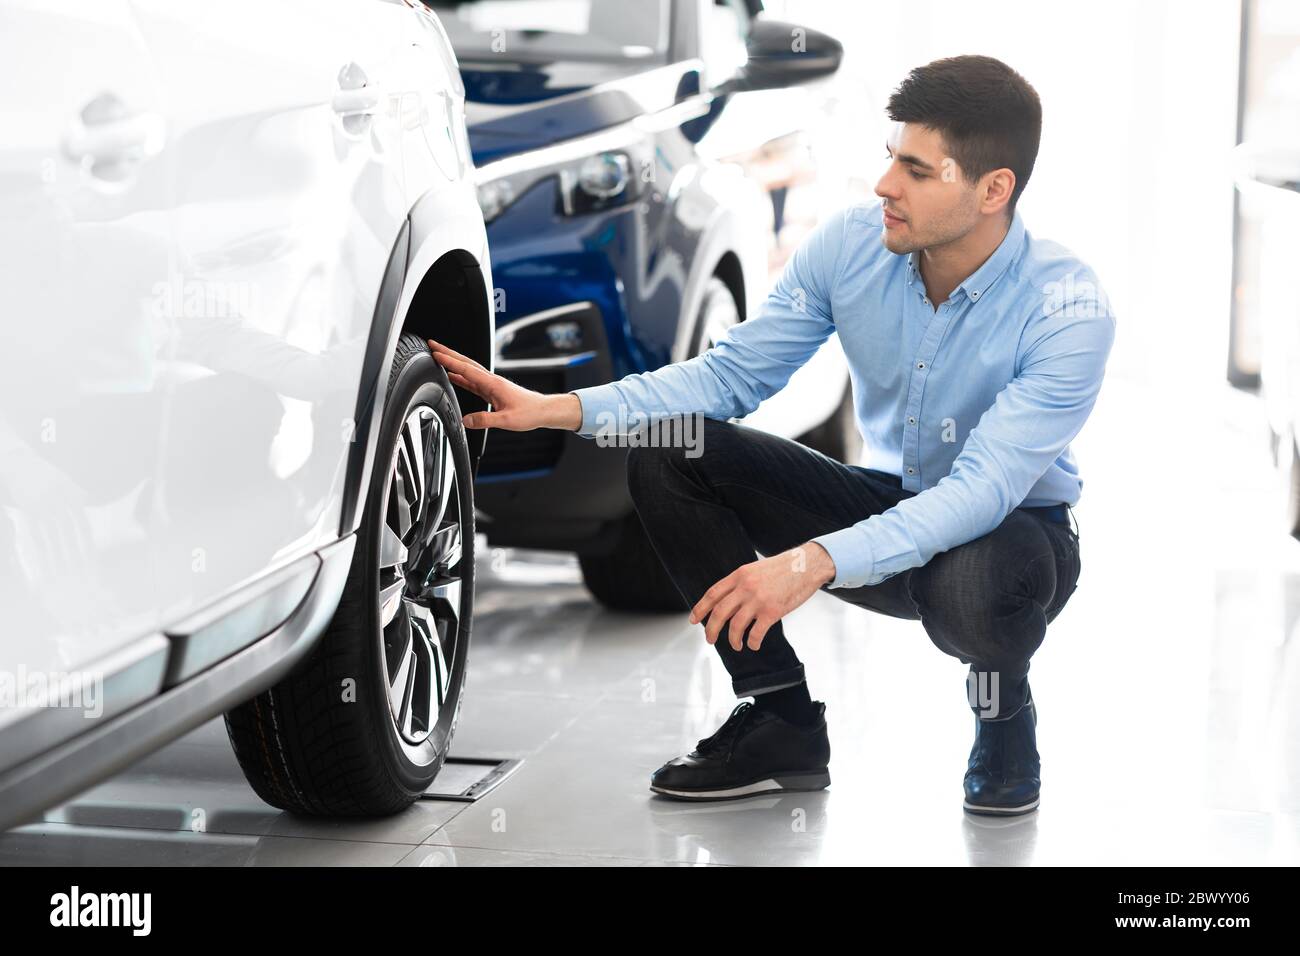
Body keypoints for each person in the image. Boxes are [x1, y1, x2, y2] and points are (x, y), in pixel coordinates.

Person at [428, 55, 1116, 815]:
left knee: (973, 588)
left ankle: (1003, 713)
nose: (886, 184)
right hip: (885, 498)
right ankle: (780, 717)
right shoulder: (853, 244)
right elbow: (729, 378)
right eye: (891, 157)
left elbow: (982, 490)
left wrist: (811, 562)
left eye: (918, 171)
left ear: (994, 190)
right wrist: (559, 408)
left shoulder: (1067, 305)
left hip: (1014, 531)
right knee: (672, 448)